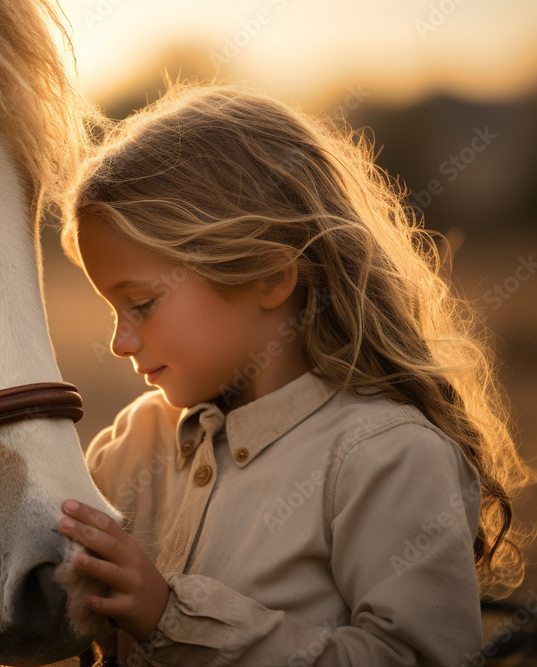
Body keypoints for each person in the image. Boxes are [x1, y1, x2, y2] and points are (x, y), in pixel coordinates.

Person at [56, 83, 531, 666]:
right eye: (112, 310)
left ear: (270, 276)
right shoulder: (134, 442)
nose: (119, 342)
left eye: (142, 304)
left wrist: (171, 620)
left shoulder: (389, 459)